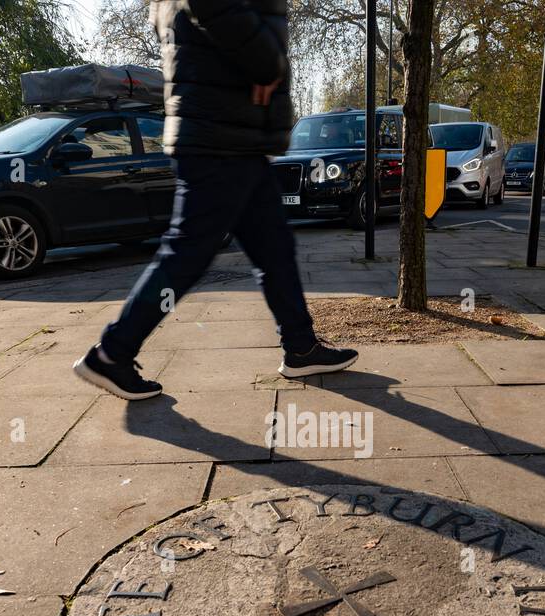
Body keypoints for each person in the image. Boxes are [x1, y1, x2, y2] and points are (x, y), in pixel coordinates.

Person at [74, 0, 357, 400]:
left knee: (274, 247)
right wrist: (267, 62)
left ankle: (300, 346)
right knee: (189, 251)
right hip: (219, 135)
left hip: (233, 134)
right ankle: (112, 353)